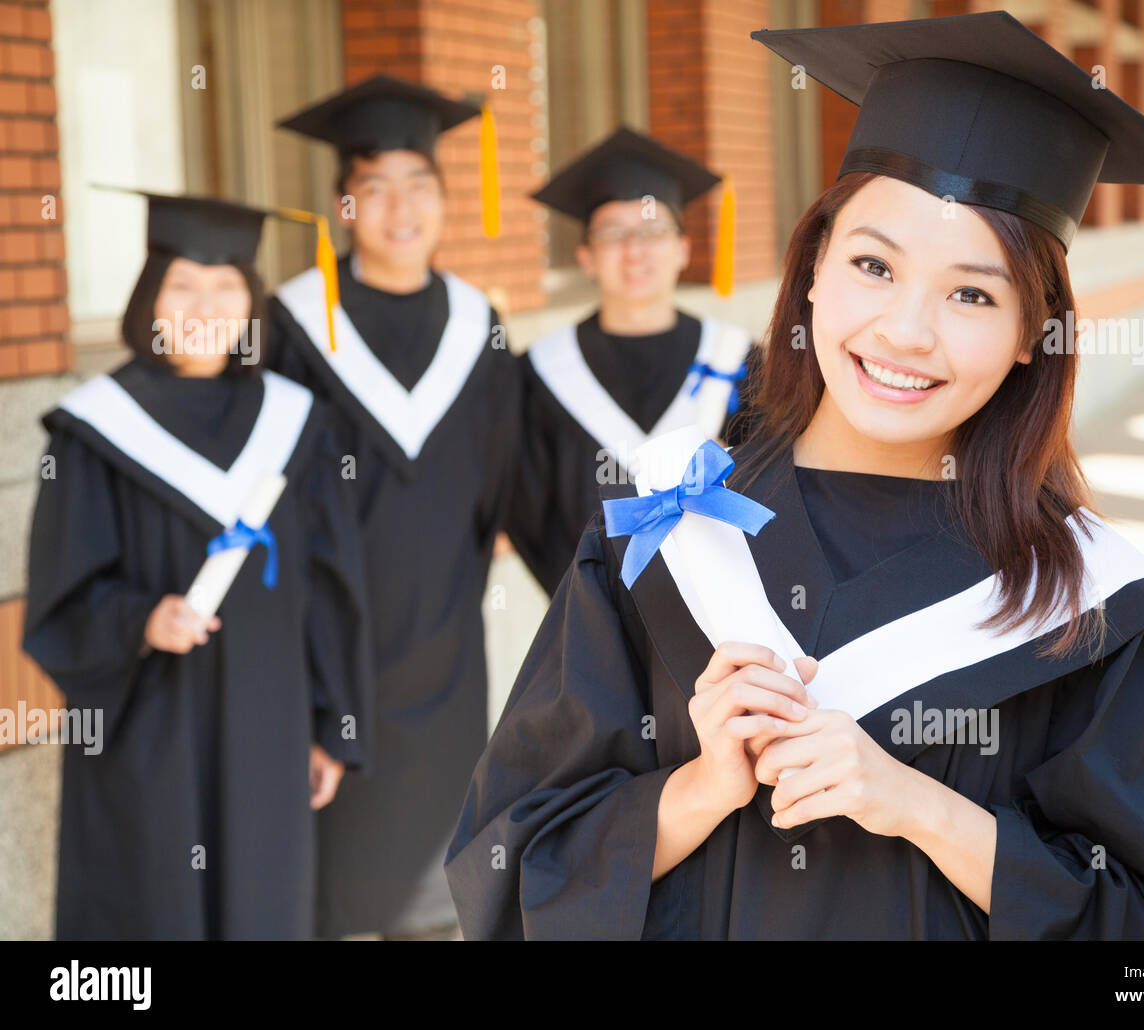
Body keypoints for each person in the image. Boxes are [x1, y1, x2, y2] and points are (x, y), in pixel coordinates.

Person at [445, 11, 1144, 940]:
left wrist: (924, 811)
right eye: (874, 265)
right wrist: (701, 789)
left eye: (972, 293)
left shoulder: (1086, 609)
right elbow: (508, 863)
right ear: (813, 268)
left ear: (1034, 335)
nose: (906, 331)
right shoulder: (665, 541)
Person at [23, 190, 371, 940]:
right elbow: (61, 595)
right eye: (183, 284)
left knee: (265, 902)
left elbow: (330, 587)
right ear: (150, 297)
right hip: (149, 729)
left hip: (269, 728)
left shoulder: (297, 423)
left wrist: (331, 725)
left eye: (226, 285)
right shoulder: (95, 430)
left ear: (252, 304)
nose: (204, 304)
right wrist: (141, 620)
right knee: (152, 907)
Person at [268, 74, 521, 939]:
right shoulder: (296, 325)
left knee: (435, 874)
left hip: (446, 642)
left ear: (444, 200)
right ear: (344, 205)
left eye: (418, 185)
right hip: (328, 638)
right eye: (374, 188)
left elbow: (498, 484)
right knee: (338, 877)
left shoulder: (477, 326)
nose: (398, 208)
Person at [505, 127, 759, 596]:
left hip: (716, 624)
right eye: (613, 235)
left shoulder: (741, 362)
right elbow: (527, 513)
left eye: (653, 231)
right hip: (588, 622)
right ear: (586, 257)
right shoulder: (539, 375)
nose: (635, 250)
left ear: (683, 249)